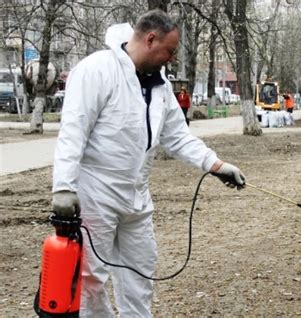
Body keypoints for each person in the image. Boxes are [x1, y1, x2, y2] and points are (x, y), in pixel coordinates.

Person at [51, 10, 245, 318]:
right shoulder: (97, 70)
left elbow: (178, 137)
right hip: (95, 193)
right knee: (90, 278)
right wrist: (63, 188)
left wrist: (216, 166)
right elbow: (73, 132)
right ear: (151, 39)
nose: (171, 58)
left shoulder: (160, 86)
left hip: (137, 197)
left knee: (140, 273)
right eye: (169, 50)